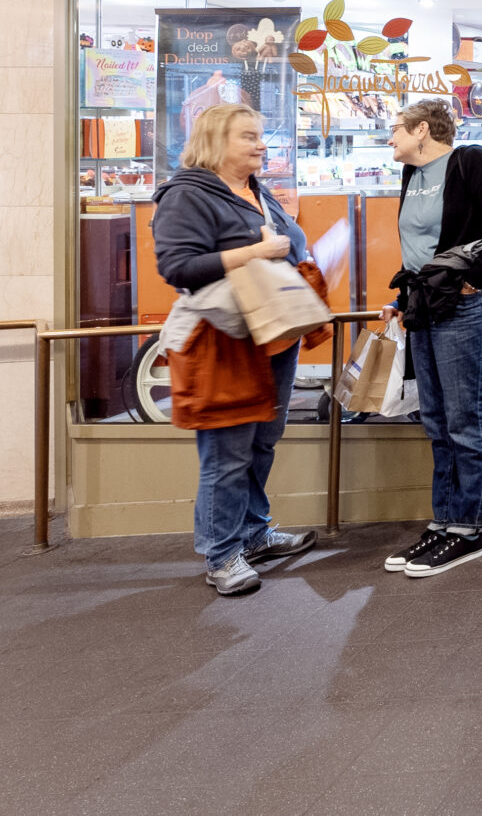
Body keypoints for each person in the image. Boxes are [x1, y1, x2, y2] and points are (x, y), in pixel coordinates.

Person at [151, 103, 317, 596]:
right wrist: (255, 252)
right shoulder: (187, 194)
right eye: (249, 136)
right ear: (216, 142)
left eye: (260, 136)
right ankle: (222, 555)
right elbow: (178, 267)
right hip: (225, 340)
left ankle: (253, 533)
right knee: (226, 452)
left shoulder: (252, 189)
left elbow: (288, 244)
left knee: (262, 441)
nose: (261, 144)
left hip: (272, 335)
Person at [380, 99, 482, 578]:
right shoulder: (411, 176)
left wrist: (471, 279)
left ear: (422, 129)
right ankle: (444, 522)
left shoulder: (472, 162)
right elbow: (421, 246)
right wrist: (406, 296)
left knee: (466, 420)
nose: (390, 138)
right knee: (438, 421)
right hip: (426, 307)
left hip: (468, 307)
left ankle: (470, 529)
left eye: (396, 129)